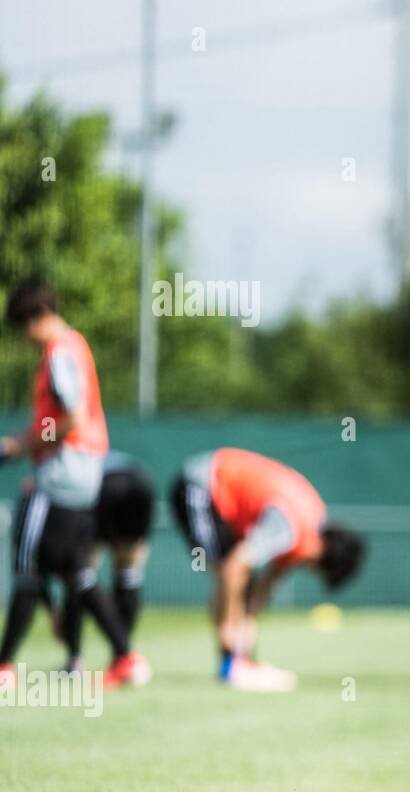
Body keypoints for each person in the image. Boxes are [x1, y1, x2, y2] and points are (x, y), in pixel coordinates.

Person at [0, 279, 149, 691]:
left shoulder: (59, 351)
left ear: (38, 316)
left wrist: (20, 446)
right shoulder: (77, 345)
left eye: (24, 327)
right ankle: (126, 656)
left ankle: (3, 667)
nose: (26, 338)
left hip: (62, 473)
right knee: (77, 571)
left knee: (28, 565)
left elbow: (71, 418)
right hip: (85, 475)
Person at [169, 447, 365, 691]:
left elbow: (263, 589)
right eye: (317, 570)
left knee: (243, 581)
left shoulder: (309, 533)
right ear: (322, 559)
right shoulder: (290, 526)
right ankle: (230, 665)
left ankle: (240, 662)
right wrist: (233, 633)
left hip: (223, 500)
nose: (309, 571)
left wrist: (248, 629)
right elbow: (234, 567)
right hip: (200, 485)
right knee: (228, 574)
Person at [27, 451, 156, 670]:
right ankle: (121, 657)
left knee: (79, 573)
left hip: (103, 486)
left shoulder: (52, 479)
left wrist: (54, 614)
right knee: (128, 569)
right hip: (140, 483)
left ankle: (75, 659)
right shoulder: (90, 458)